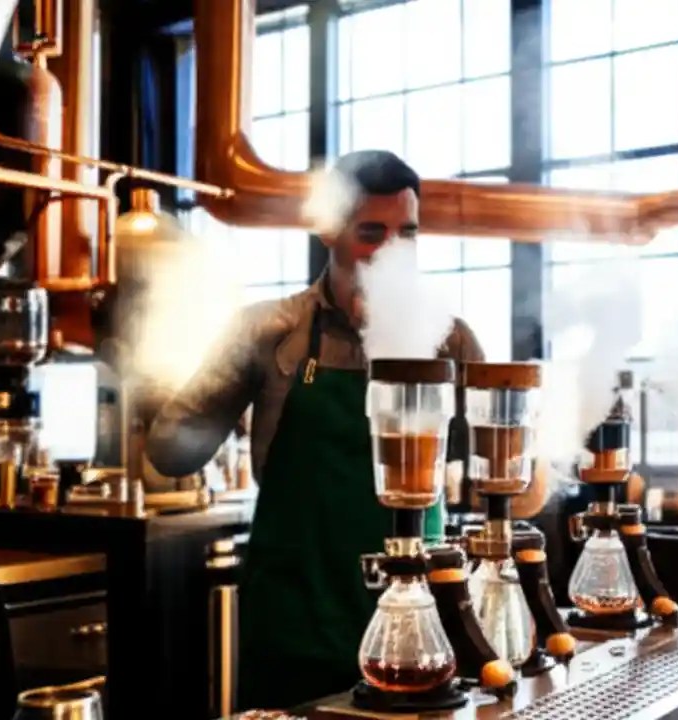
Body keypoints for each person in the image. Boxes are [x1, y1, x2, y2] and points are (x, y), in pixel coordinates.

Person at [145, 150, 484, 710]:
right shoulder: (270, 332)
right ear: (330, 230)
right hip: (295, 621)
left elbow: (499, 480)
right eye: (371, 232)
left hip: (419, 628)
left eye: (408, 234)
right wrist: (187, 382)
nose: (391, 252)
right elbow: (172, 452)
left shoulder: (449, 342)